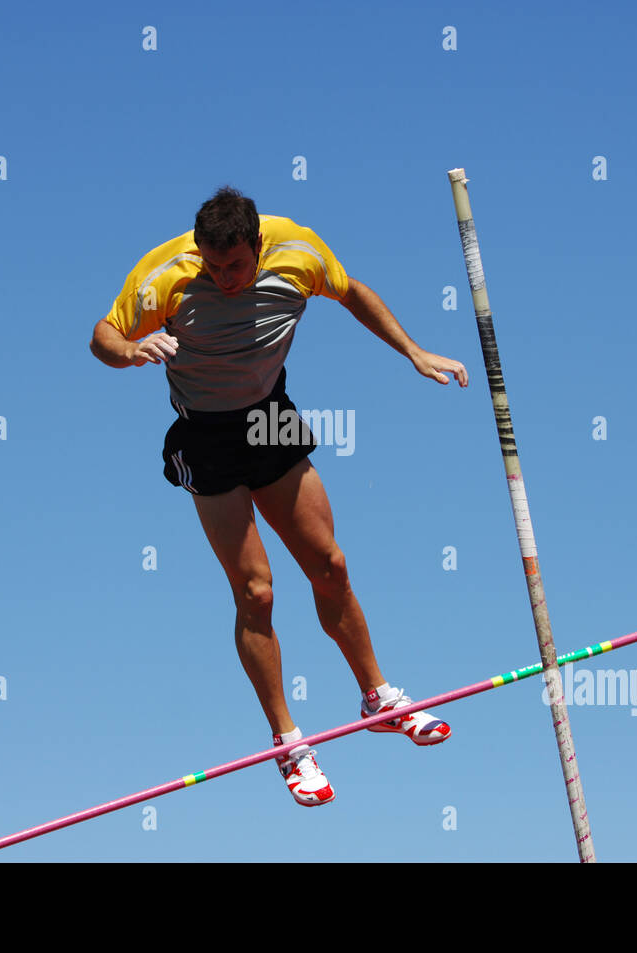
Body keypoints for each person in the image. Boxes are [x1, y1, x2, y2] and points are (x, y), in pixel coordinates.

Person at [90, 187, 469, 806]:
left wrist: (414, 352)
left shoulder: (298, 249)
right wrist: (132, 349)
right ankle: (288, 742)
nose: (225, 277)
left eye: (236, 265)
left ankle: (380, 699)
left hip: (269, 417)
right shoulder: (167, 275)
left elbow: (352, 293)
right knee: (256, 591)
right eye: (214, 267)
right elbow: (102, 335)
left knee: (330, 565)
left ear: (257, 246)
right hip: (204, 434)